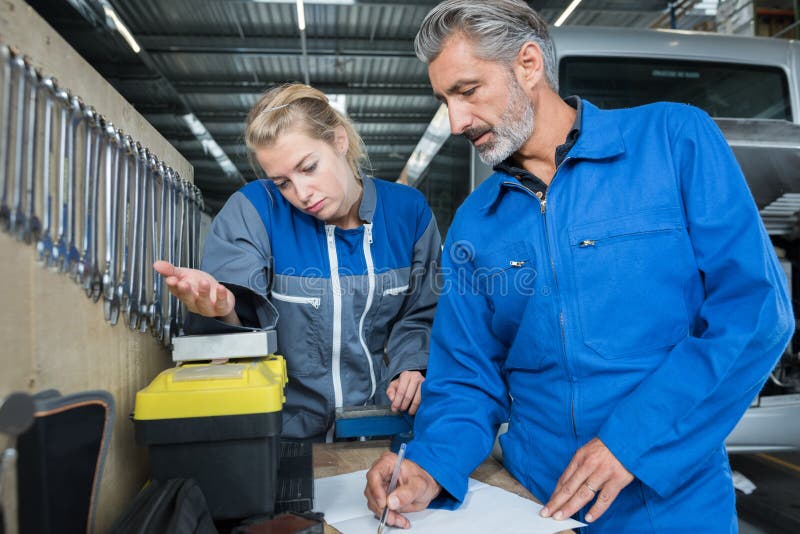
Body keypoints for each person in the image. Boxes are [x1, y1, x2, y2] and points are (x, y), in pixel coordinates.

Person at [364, 1, 794, 532]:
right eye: (445, 100)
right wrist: (431, 466)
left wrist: (631, 442)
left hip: (672, 504)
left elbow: (754, 312)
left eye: (468, 91)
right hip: (533, 506)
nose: (456, 121)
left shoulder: (674, 141)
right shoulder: (477, 221)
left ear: (527, 64)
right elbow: (467, 376)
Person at [154, 83, 441, 441]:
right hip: (286, 437)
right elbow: (235, 330)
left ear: (339, 140)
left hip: (384, 428)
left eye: (308, 167)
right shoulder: (256, 211)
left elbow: (421, 313)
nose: (302, 194)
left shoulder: (408, 213)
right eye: (283, 182)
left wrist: (411, 364)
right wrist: (224, 309)